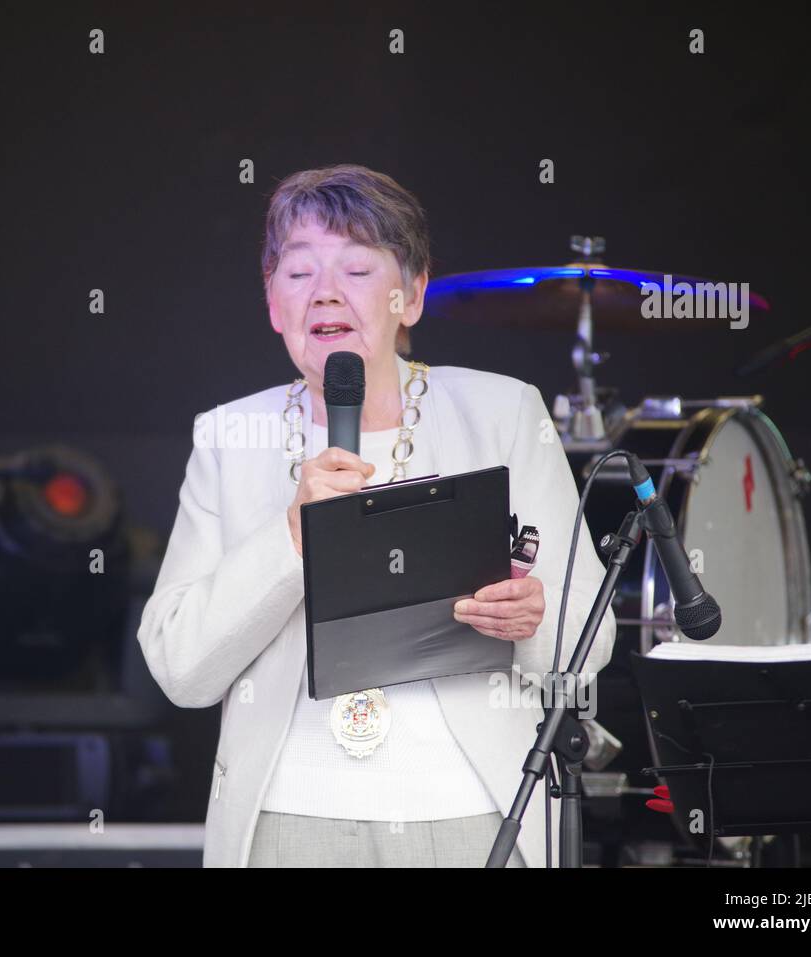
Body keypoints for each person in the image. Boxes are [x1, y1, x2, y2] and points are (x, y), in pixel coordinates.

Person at [137, 165, 615, 867]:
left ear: (411, 295)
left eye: (357, 267)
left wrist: (535, 618)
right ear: (272, 303)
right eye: (298, 273)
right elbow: (180, 667)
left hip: (475, 811)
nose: (325, 291)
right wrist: (289, 540)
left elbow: (592, 637)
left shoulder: (503, 412)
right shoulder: (228, 436)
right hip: (291, 818)